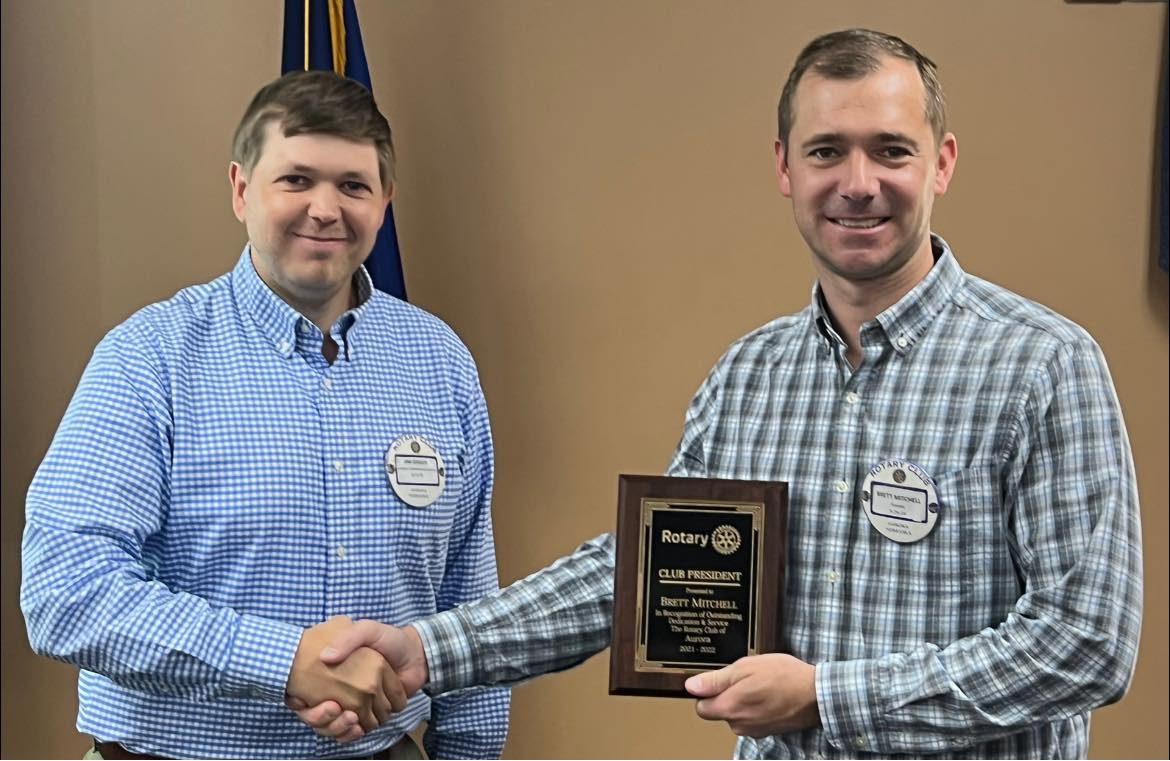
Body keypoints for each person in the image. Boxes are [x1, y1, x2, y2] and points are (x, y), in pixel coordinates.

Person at [296, 28, 1144, 758]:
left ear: (942, 163)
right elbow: (636, 579)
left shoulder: (1042, 365)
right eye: (825, 151)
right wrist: (425, 650)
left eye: (891, 149)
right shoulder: (749, 377)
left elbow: (1086, 643)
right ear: (784, 167)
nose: (858, 182)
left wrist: (828, 696)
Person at [21, 70, 510, 759]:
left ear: (385, 200)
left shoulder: (440, 360)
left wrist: (471, 751)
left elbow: (470, 594)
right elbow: (66, 593)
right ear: (241, 188)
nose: (324, 208)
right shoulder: (147, 358)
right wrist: (282, 661)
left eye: (353, 185)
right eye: (296, 179)